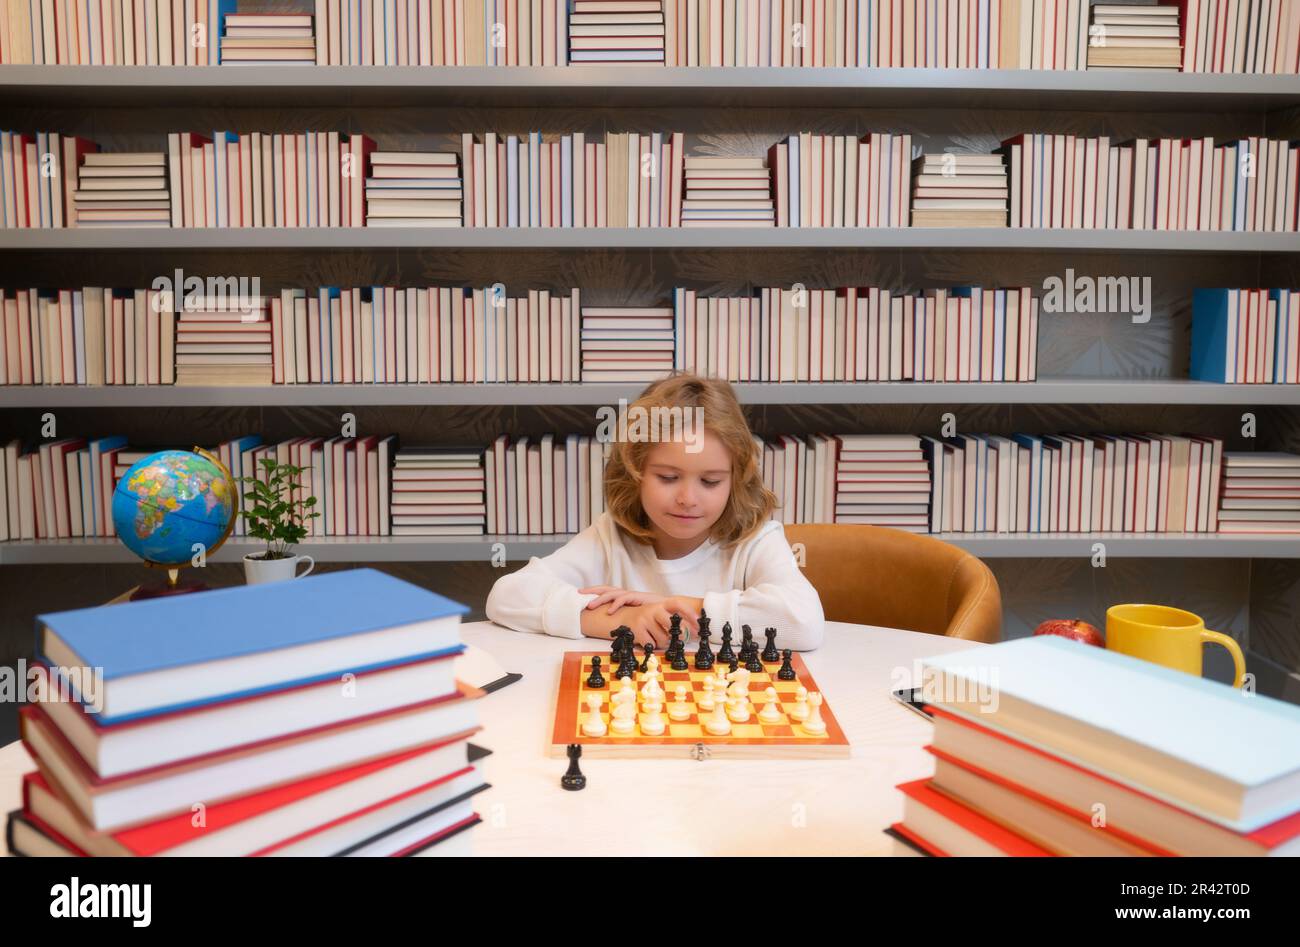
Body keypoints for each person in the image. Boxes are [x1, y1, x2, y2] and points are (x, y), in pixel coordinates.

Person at [485, 373, 825, 650]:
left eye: (710, 481)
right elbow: (507, 596)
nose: (688, 498)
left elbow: (804, 621)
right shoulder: (610, 537)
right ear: (635, 473)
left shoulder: (757, 540)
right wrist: (620, 621)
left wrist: (677, 607)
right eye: (668, 477)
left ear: (736, 481)